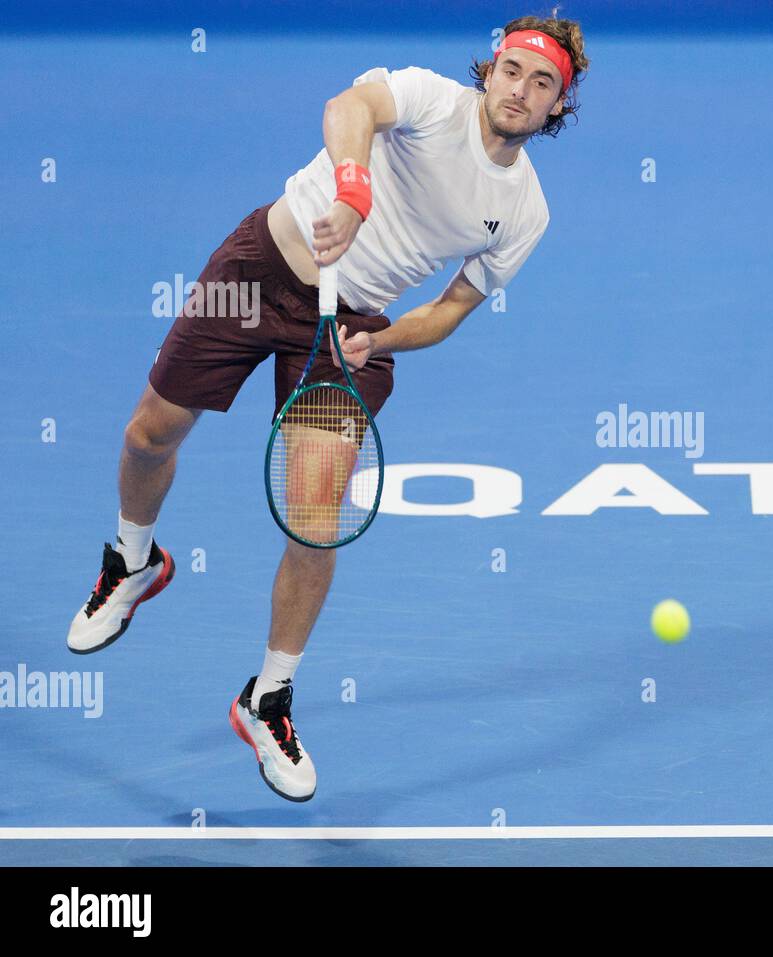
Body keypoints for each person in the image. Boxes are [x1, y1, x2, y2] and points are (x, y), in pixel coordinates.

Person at [65, 15, 589, 802]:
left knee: (316, 515)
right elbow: (351, 106)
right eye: (512, 70)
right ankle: (134, 559)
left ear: (557, 109)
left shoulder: (524, 212)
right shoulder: (433, 99)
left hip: (352, 324)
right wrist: (352, 190)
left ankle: (267, 697)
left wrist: (381, 345)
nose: (521, 89)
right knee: (150, 433)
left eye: (542, 83)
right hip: (263, 268)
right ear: (490, 72)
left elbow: (448, 311)